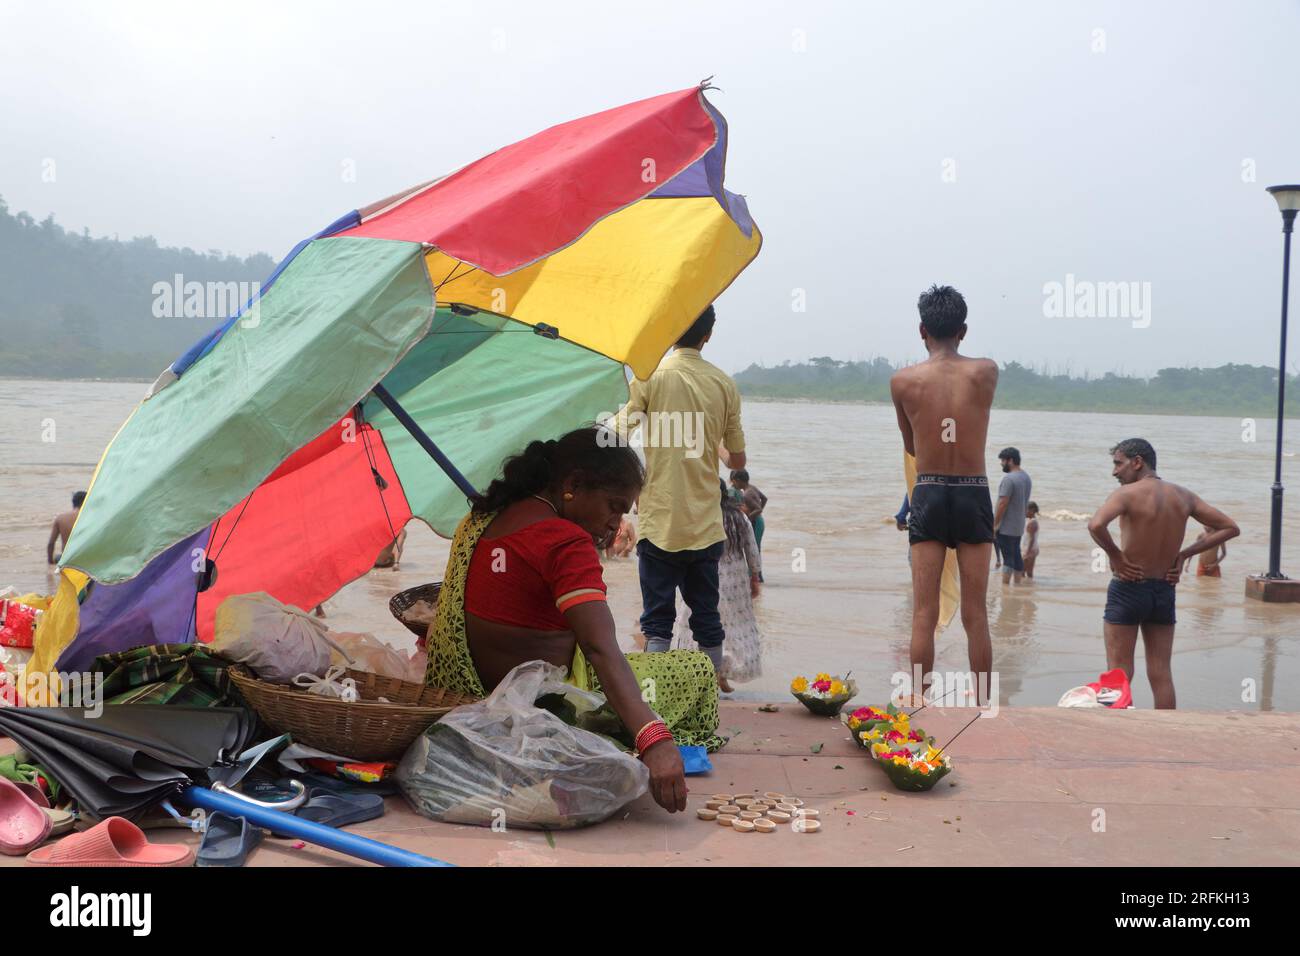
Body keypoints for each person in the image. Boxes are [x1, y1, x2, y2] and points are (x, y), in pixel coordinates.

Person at [423, 427, 726, 815]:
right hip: (546, 704)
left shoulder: (480, 520)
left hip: (473, 691)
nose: (617, 525)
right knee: (696, 668)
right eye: (614, 507)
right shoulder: (564, 542)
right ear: (573, 484)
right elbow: (600, 648)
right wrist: (655, 741)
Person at [614, 305, 747, 677]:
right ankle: (706, 703)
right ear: (708, 335)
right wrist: (712, 444)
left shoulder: (649, 376)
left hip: (660, 522)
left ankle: (655, 704)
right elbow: (737, 461)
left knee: (656, 621)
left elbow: (617, 435)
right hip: (705, 524)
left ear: (673, 332)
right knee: (707, 618)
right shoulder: (724, 385)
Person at [890, 284, 998, 702]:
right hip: (973, 493)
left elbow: (912, 445)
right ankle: (985, 699)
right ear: (964, 330)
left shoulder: (903, 381)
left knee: (923, 611)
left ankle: (918, 696)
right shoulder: (986, 371)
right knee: (976, 611)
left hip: (930, 491)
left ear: (922, 330)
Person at [1087, 438, 1239, 709]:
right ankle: (1168, 735)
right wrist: (1183, 555)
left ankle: (1112, 732)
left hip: (1128, 586)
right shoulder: (1183, 496)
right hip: (1164, 588)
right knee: (1161, 673)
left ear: (1137, 462)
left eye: (1118, 464)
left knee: (1119, 672)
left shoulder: (1126, 494)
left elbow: (1096, 525)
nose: (1114, 472)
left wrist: (1116, 557)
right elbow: (1229, 527)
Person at [673, 480, 763, 693]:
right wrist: (755, 577)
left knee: (698, 622)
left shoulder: (699, 516)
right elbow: (751, 548)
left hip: (703, 574)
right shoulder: (739, 518)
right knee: (732, 627)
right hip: (735, 580)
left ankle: (703, 673)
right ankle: (720, 673)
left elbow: (684, 546)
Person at [994, 447, 1032, 583]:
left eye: (1003, 460)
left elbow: (1003, 504)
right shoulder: (1026, 477)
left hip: (1006, 526)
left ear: (1010, 460)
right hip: (1018, 525)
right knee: (1016, 556)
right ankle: (1017, 585)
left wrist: (995, 525)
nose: (1001, 463)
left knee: (1008, 559)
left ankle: (1005, 588)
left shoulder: (1009, 479)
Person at [46, 491, 85, 564]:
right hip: (86, 558)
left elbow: (51, 543)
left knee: (58, 557)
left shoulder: (60, 518)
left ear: (73, 503)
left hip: (67, 560)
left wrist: (50, 563)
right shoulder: (90, 517)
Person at [1023, 501, 1040, 579]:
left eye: (1026, 510)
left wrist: (1027, 552)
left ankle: (1025, 589)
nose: (1024, 512)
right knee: (1028, 572)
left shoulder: (1032, 523)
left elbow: (1031, 539)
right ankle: (1029, 588)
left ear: (1032, 510)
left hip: (1030, 549)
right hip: (1033, 548)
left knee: (1022, 571)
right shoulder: (1032, 521)